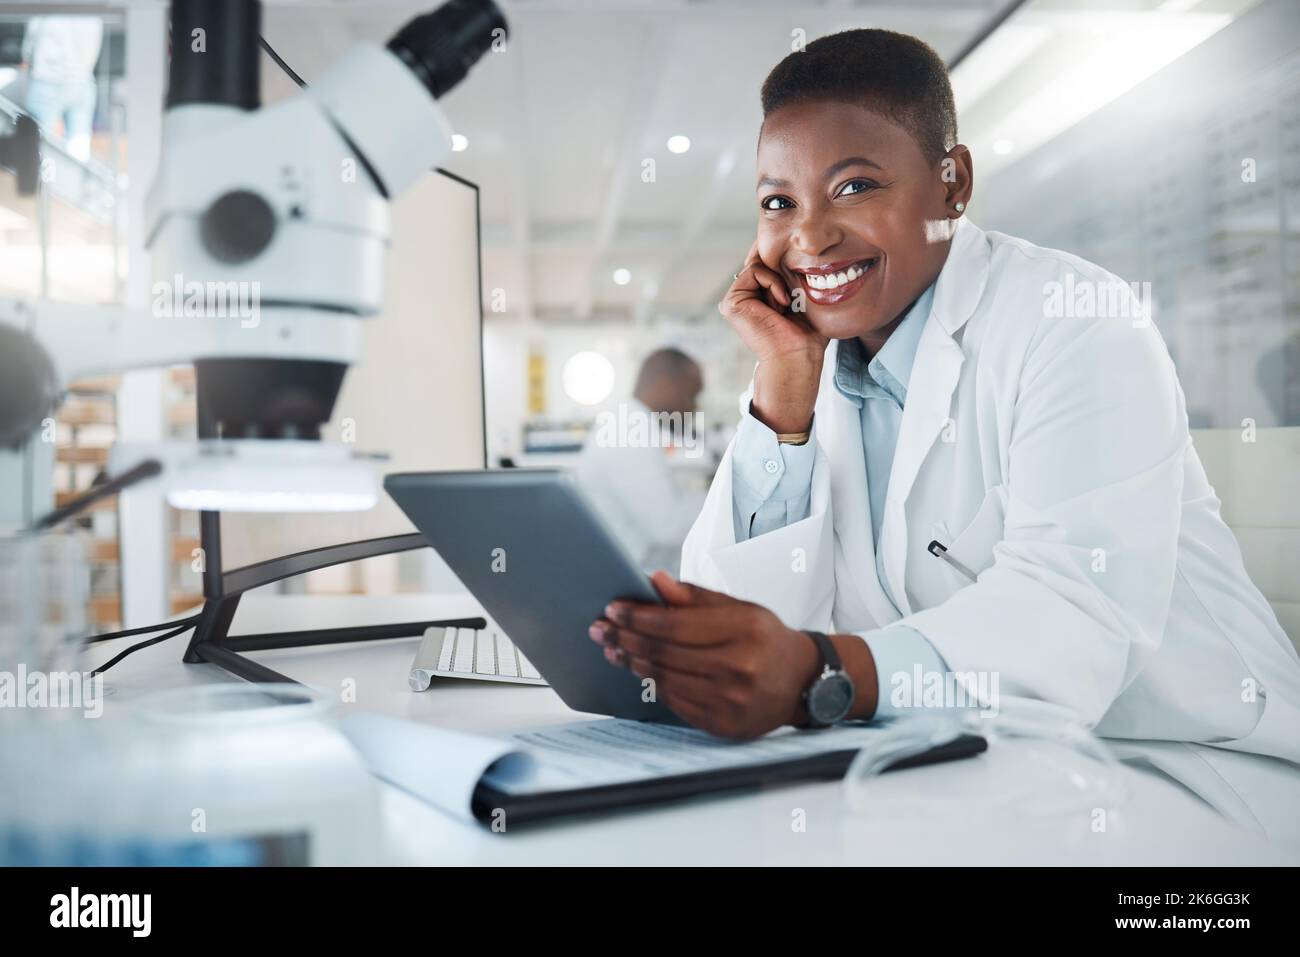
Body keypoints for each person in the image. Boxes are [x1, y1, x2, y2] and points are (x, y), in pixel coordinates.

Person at [587, 29, 1300, 843]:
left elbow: (1071, 617)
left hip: (1188, 770)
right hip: (982, 763)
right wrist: (784, 392)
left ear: (952, 183)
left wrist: (822, 672)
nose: (809, 237)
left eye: (853, 186)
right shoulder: (818, 370)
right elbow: (758, 635)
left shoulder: (1071, 321)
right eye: (778, 201)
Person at [572, 348, 706, 576]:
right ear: (665, 385)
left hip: (634, 567)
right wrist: (724, 499)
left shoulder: (631, 423)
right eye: (690, 395)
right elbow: (669, 526)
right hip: (626, 576)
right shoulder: (628, 430)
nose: (694, 407)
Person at [22, 16, 104, 163]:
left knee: (39, 146)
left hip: (46, 79)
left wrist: (27, 60)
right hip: (81, 80)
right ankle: (74, 183)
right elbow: (94, 43)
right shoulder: (91, 11)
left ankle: (44, 184)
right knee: (79, 146)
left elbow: (32, 38)